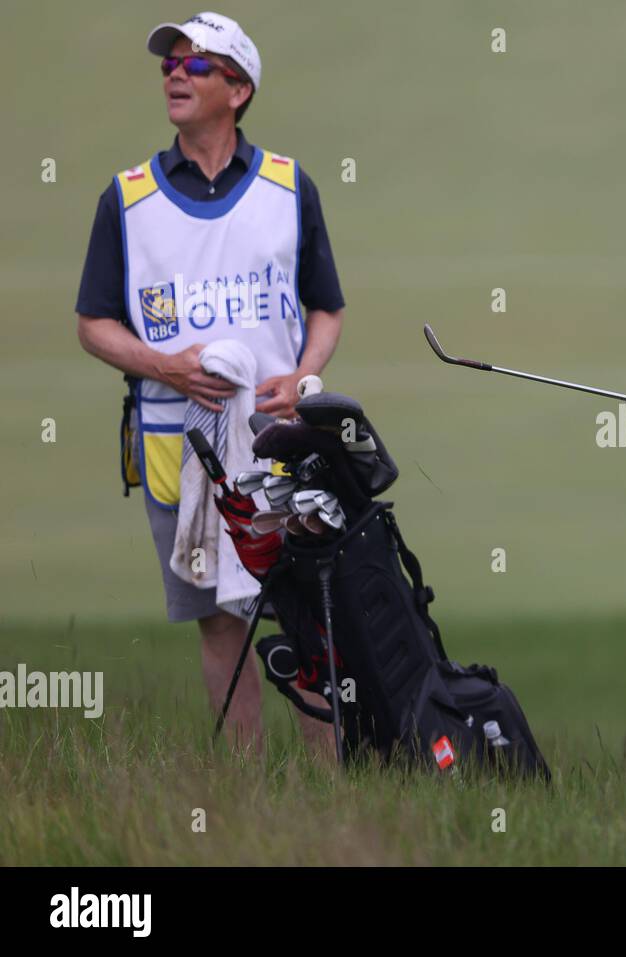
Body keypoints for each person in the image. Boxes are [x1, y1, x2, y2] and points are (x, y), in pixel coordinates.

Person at [75, 12, 345, 753]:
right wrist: (166, 366)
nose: (174, 74)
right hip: (177, 448)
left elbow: (327, 306)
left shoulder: (290, 188)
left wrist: (303, 373)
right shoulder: (126, 199)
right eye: (170, 63)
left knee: (304, 622)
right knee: (222, 627)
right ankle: (241, 804)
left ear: (239, 88)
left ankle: (334, 802)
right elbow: (93, 323)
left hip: (280, 443)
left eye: (196, 65)